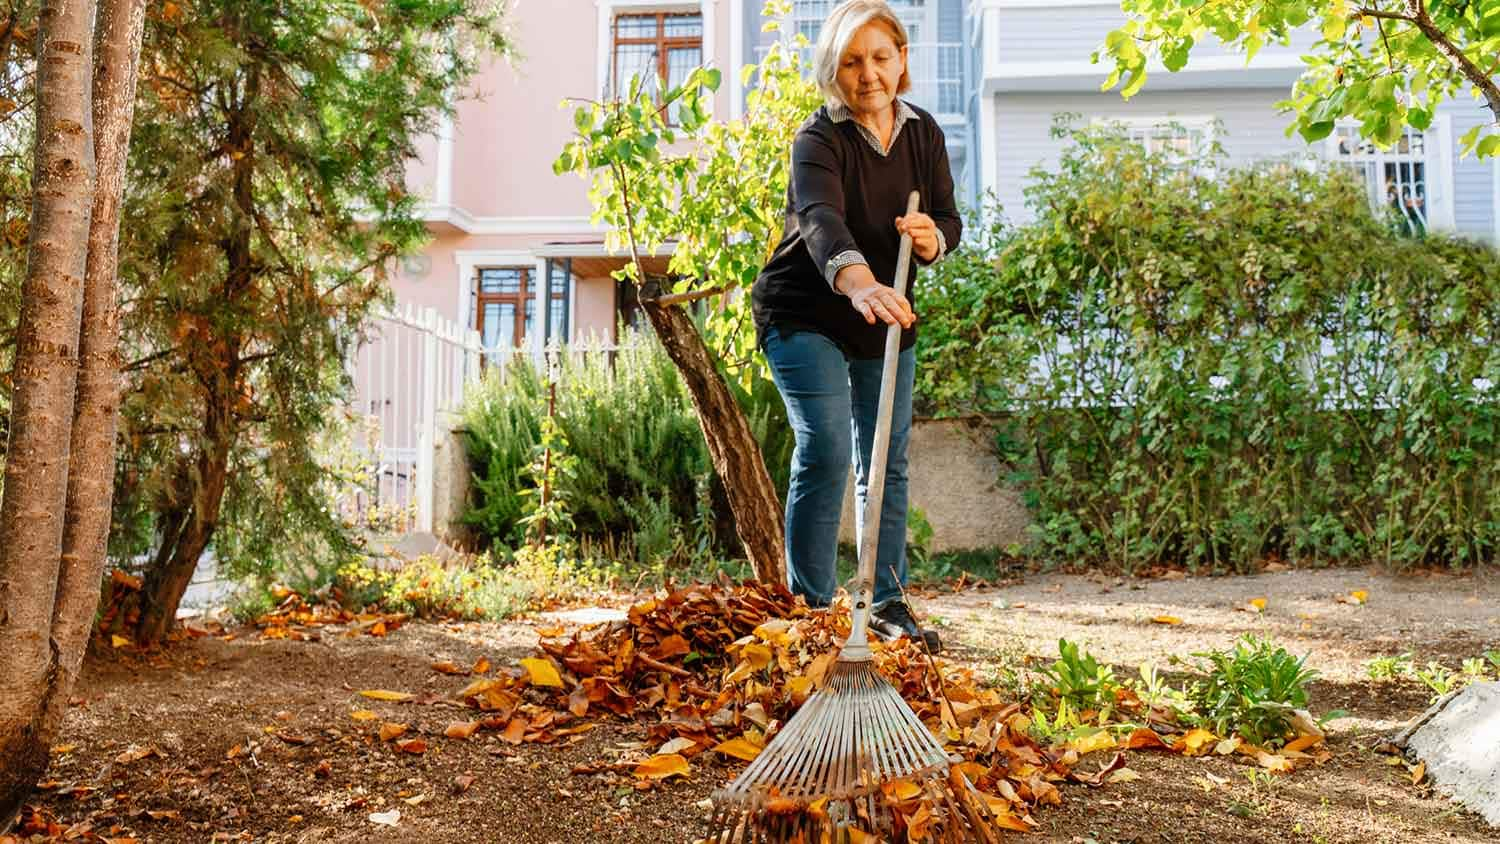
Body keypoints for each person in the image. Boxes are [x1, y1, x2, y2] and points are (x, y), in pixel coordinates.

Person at [752, 0, 960, 651]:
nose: (868, 74)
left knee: (886, 461)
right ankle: (812, 607)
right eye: (852, 60)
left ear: (902, 59)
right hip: (804, 310)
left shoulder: (924, 134)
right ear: (833, 70)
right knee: (829, 449)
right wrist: (858, 279)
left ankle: (887, 602)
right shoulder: (819, 138)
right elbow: (819, 219)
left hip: (884, 316)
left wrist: (933, 240)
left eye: (880, 57)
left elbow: (949, 220)